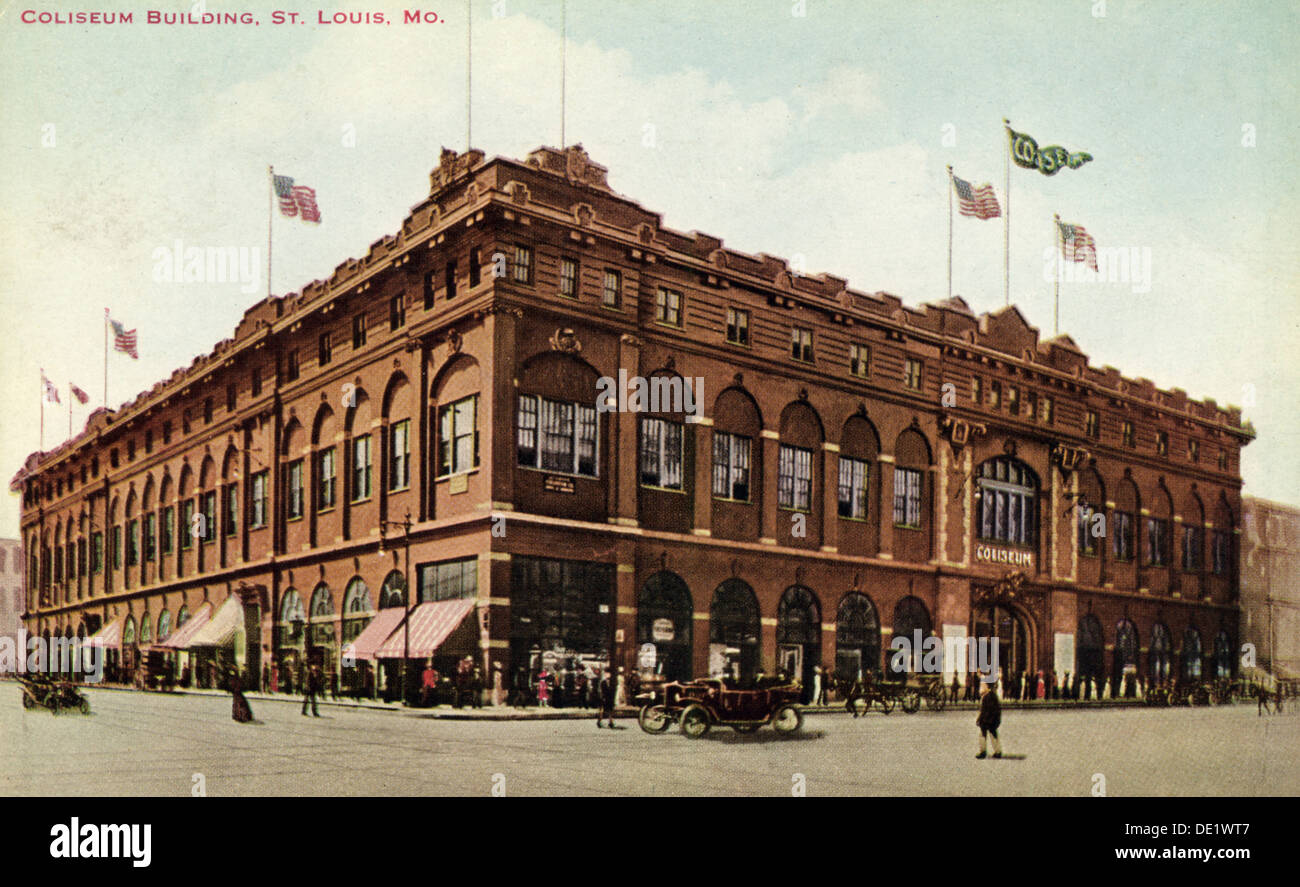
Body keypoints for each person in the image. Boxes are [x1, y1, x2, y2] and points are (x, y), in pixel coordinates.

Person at [975, 678, 1002, 759]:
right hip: (990, 720)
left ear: (987, 686)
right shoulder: (989, 695)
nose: (981, 687)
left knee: (984, 735)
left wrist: (981, 719)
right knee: (993, 735)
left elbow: (987, 711)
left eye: (983, 685)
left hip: (988, 721)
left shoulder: (989, 696)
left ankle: (984, 752)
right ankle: (997, 751)